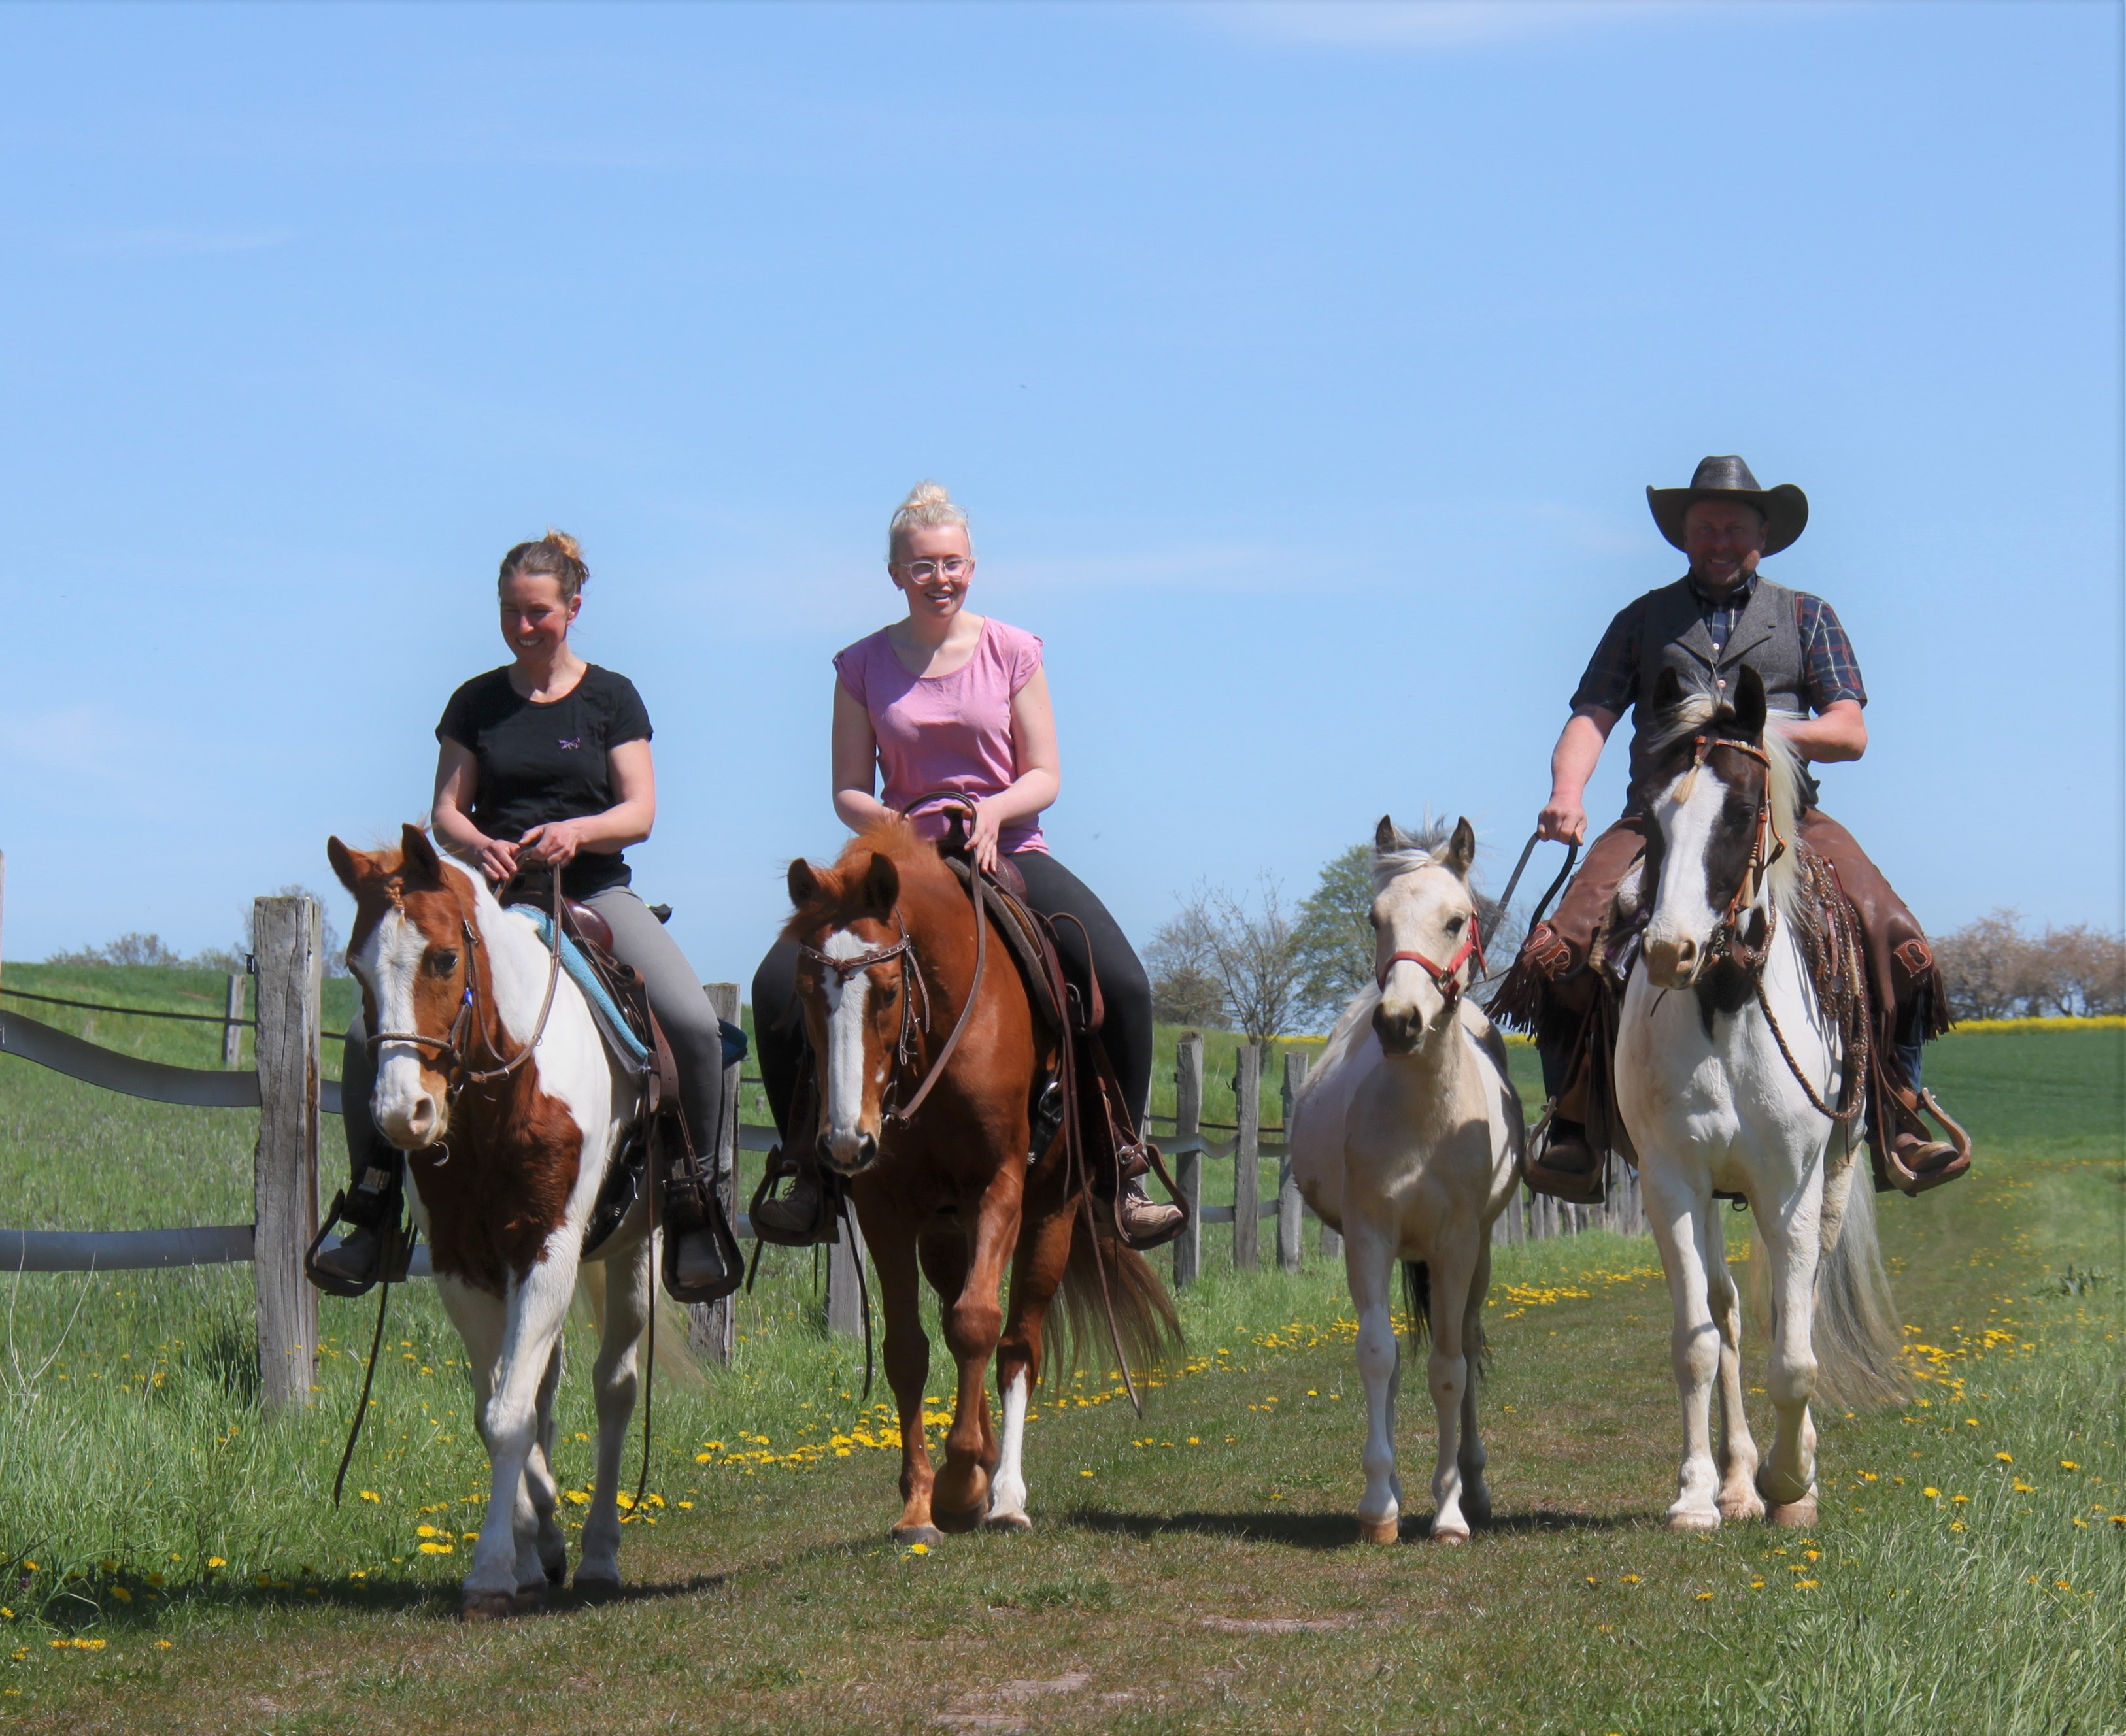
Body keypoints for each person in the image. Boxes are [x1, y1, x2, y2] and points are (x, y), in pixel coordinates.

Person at [1497, 456, 1970, 1202]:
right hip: (1658, 816)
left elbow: (1849, 731)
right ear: (1684, 536)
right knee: (1558, 947)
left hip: (1783, 815)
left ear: (1763, 536)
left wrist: (1758, 736)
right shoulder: (1640, 620)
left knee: (1898, 939)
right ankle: (1575, 1121)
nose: (1719, 541)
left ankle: (1898, 1114)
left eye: (1733, 528)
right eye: (1705, 528)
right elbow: (1591, 715)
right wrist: (1566, 793)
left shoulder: (1808, 616)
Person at [749, 481, 1183, 1249]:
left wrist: (993, 810)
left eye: (951, 563)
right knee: (778, 982)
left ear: (973, 567)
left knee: (1123, 983)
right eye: (922, 566)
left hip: (1005, 848)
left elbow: (1045, 773)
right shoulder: (860, 665)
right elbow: (848, 788)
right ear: (896, 575)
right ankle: (806, 1171)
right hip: (897, 861)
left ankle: (1122, 1166)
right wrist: (898, 827)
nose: (939, 578)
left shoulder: (1013, 651)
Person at [311, 531, 733, 1294]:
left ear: (574, 608)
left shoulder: (612, 698)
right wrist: (481, 843)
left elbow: (639, 811)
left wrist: (578, 832)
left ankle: (694, 1201)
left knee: (695, 1027)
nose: (523, 625)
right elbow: (447, 810)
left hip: (593, 892)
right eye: (511, 611)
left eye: (538, 611)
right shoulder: (475, 702)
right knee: (366, 1035)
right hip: (491, 896)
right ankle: (371, 1206)